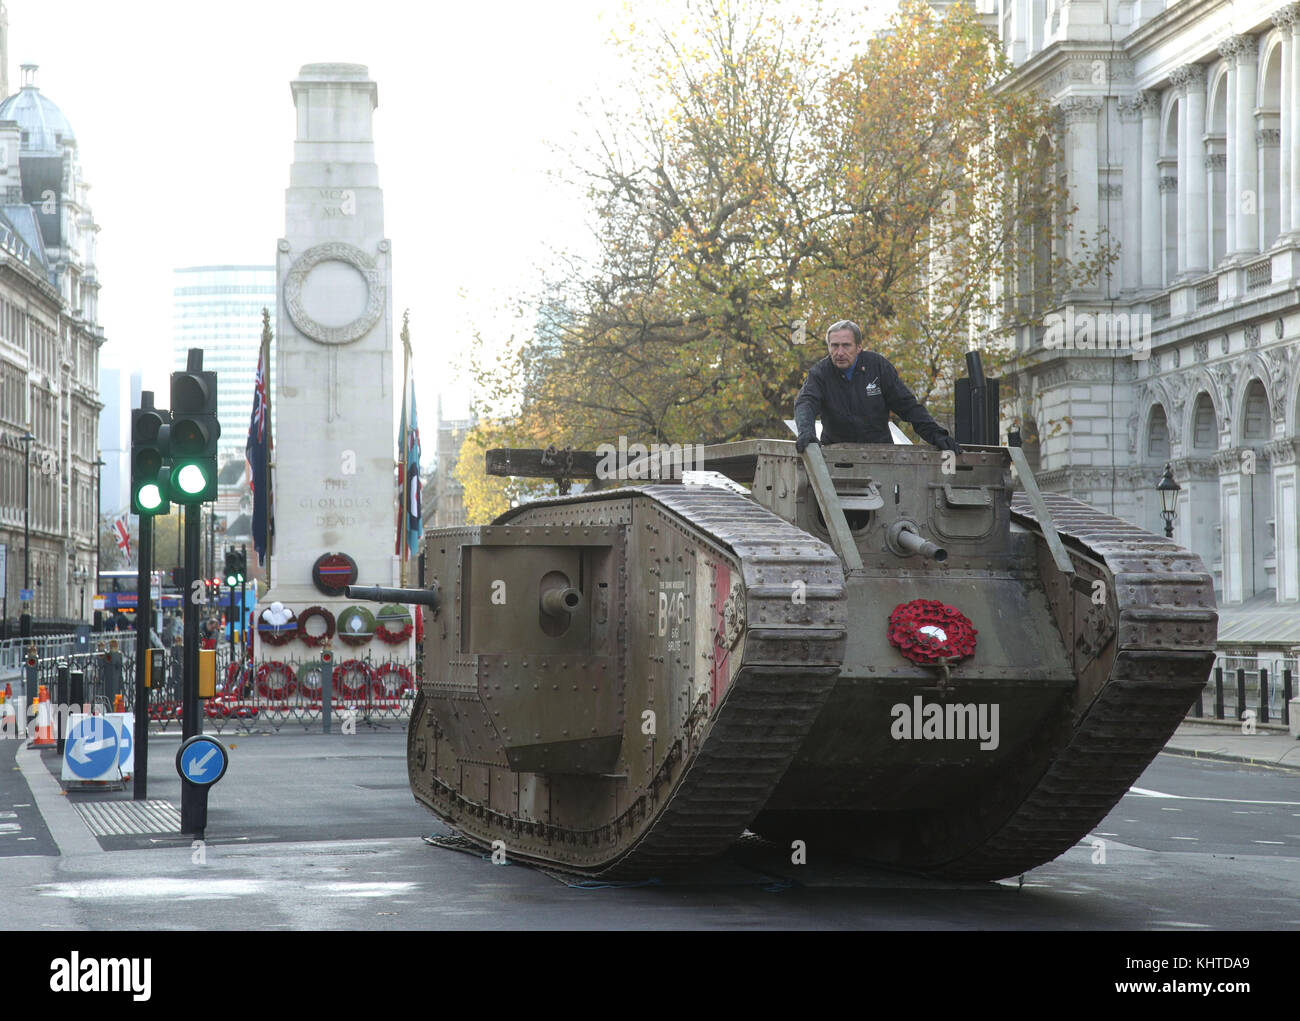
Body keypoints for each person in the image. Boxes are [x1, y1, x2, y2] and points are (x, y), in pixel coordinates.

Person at [794, 319, 962, 455]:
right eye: (834, 345)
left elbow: (908, 406)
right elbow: (806, 403)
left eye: (846, 345)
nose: (839, 352)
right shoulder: (820, 373)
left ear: (859, 347)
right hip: (836, 454)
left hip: (879, 456)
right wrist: (806, 432)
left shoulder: (878, 367)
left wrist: (936, 434)